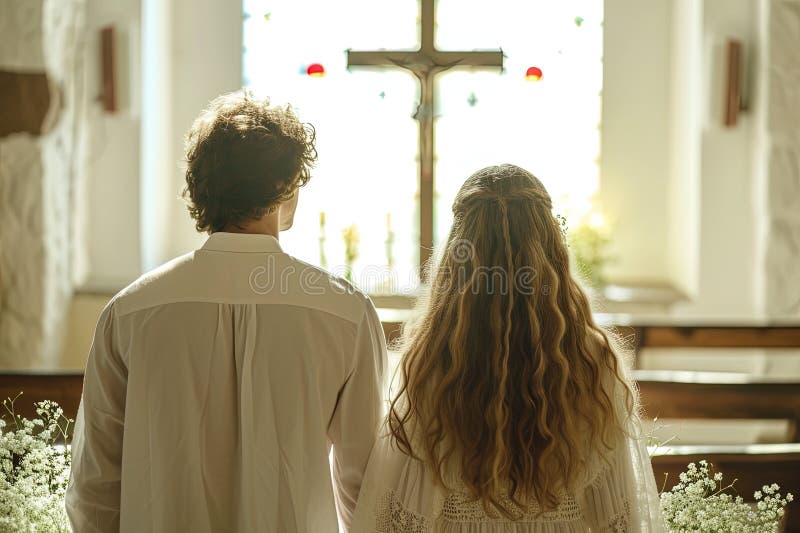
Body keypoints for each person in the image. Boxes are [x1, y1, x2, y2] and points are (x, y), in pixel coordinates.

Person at [66, 91, 387, 533]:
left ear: (202, 186)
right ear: (287, 184)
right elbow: (363, 488)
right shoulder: (345, 313)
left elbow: (95, 489)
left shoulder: (131, 313)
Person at [351, 164, 664, 532]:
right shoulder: (591, 362)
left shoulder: (433, 363)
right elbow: (620, 519)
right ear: (552, 249)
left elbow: (401, 519)